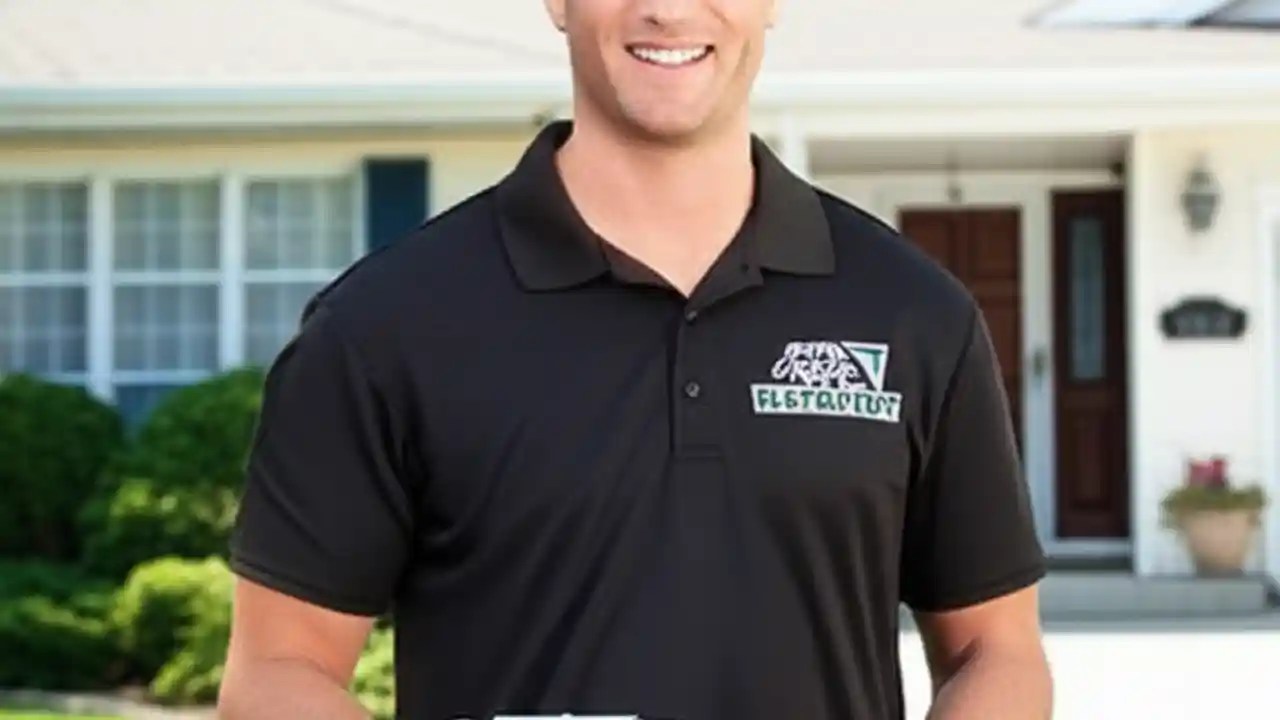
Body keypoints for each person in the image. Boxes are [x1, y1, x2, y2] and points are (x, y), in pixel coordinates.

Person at [217, 1, 1053, 718]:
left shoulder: (912, 314)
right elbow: (278, 672)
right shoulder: (381, 328)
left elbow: (997, 652)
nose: (668, 8)